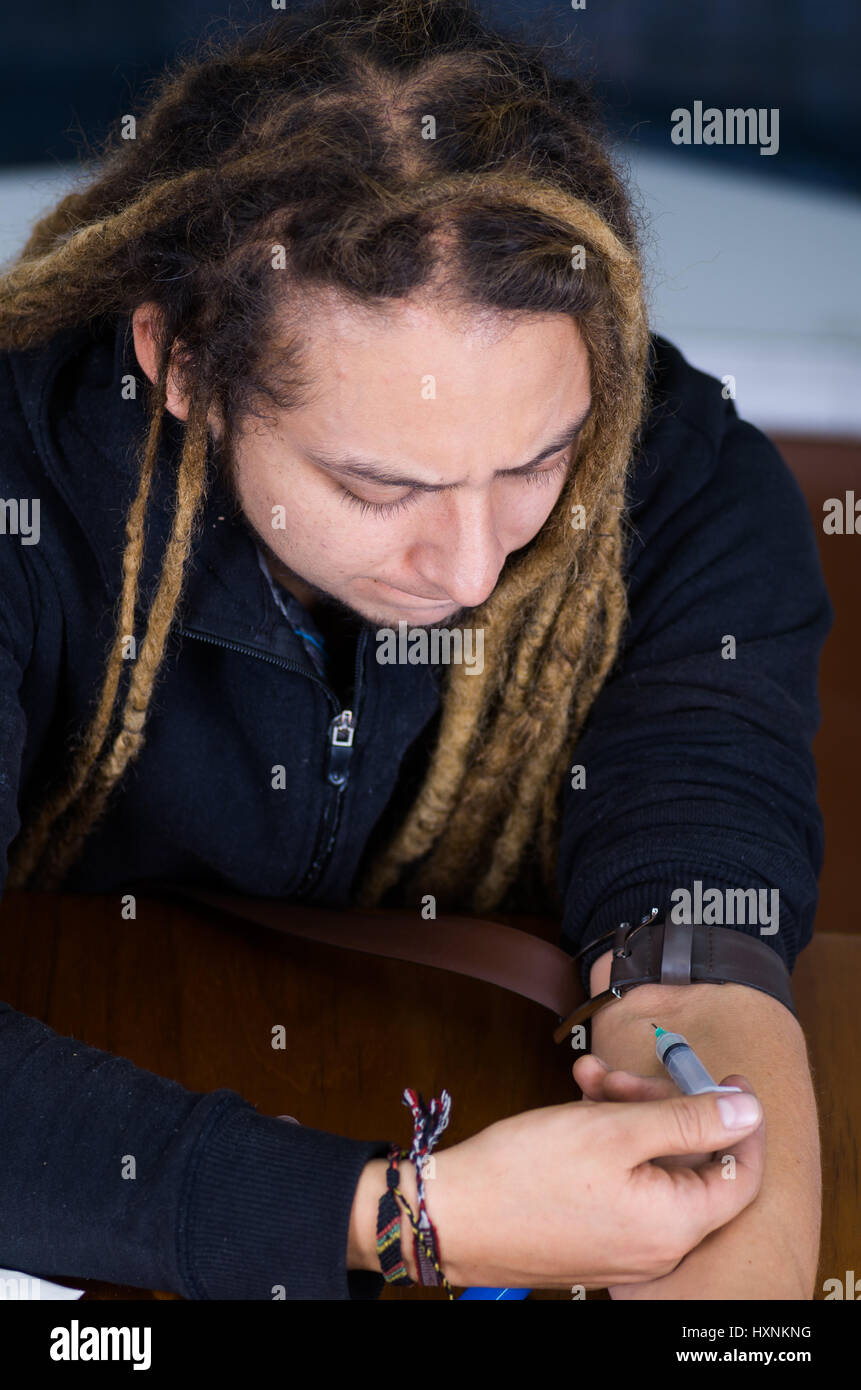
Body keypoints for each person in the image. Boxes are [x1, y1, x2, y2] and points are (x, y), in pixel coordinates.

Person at [0, 0, 828, 1299]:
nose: (469, 568)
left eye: (536, 461)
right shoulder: (16, 484)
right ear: (178, 361)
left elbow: (703, 954)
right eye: (380, 487)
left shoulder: (689, 493)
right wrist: (404, 1217)